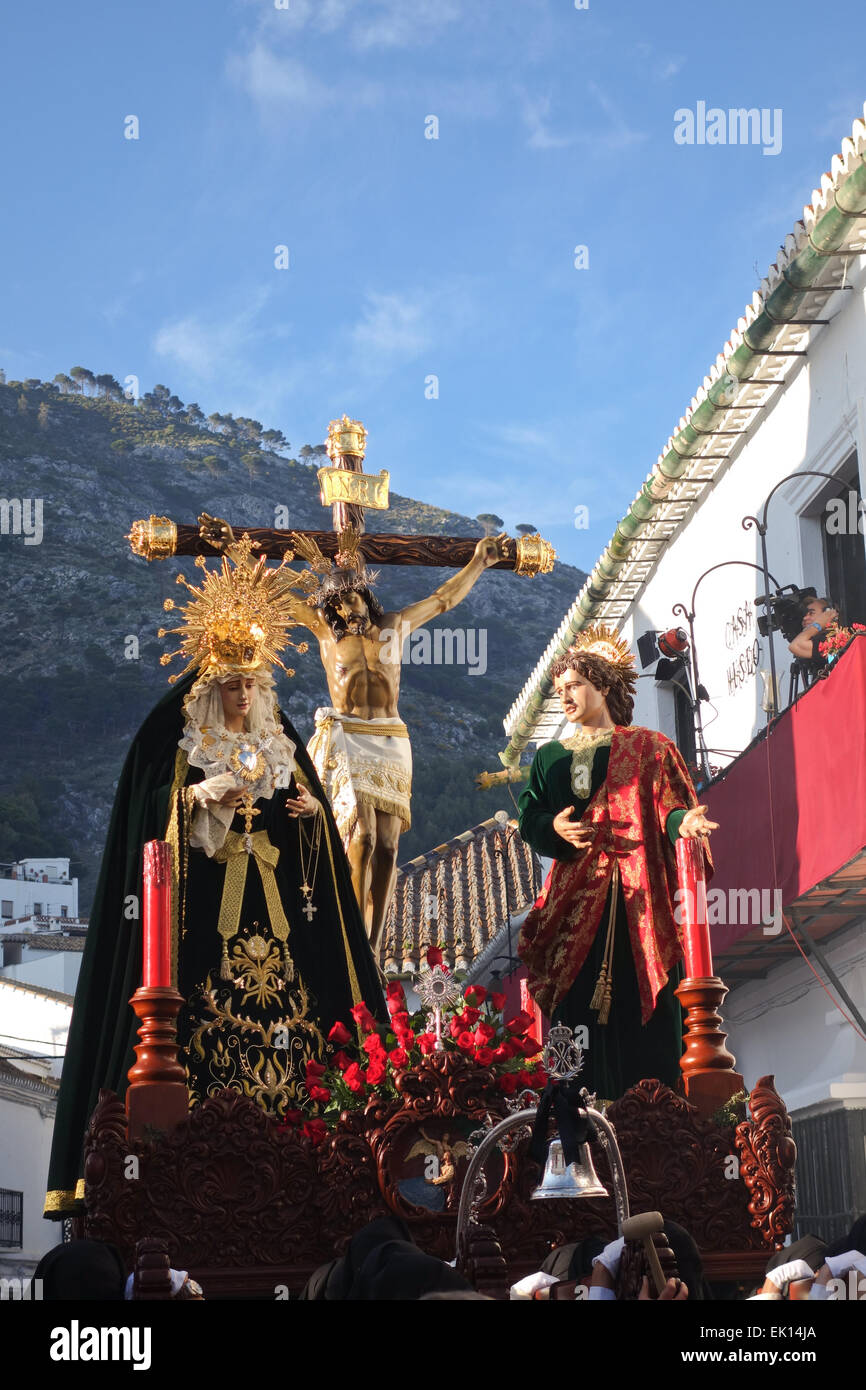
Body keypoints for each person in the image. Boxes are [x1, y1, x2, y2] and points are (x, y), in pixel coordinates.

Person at [45, 535, 384, 1221]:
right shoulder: (171, 743)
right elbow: (146, 820)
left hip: (280, 929)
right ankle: (183, 1166)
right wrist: (196, 798)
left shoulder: (282, 743)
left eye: (253, 684)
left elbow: (306, 836)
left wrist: (312, 814)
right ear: (209, 685)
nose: (243, 695)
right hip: (200, 935)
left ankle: (307, 1158)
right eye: (232, 684)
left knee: (300, 1030)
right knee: (199, 1031)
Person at [517, 624, 717, 1100]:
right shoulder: (548, 757)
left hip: (637, 895)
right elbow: (531, 816)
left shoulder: (649, 747)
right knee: (578, 997)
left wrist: (682, 824)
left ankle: (656, 1106)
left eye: (575, 686)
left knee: (641, 985)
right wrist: (555, 830)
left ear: (603, 686)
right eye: (559, 689)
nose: (565, 696)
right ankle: (578, 1110)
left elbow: (667, 805)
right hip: (575, 895)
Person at [787, 594, 839, 664]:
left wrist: (818, 625)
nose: (805, 618)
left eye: (811, 613)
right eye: (805, 614)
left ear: (827, 612)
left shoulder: (833, 640)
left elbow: (796, 646)